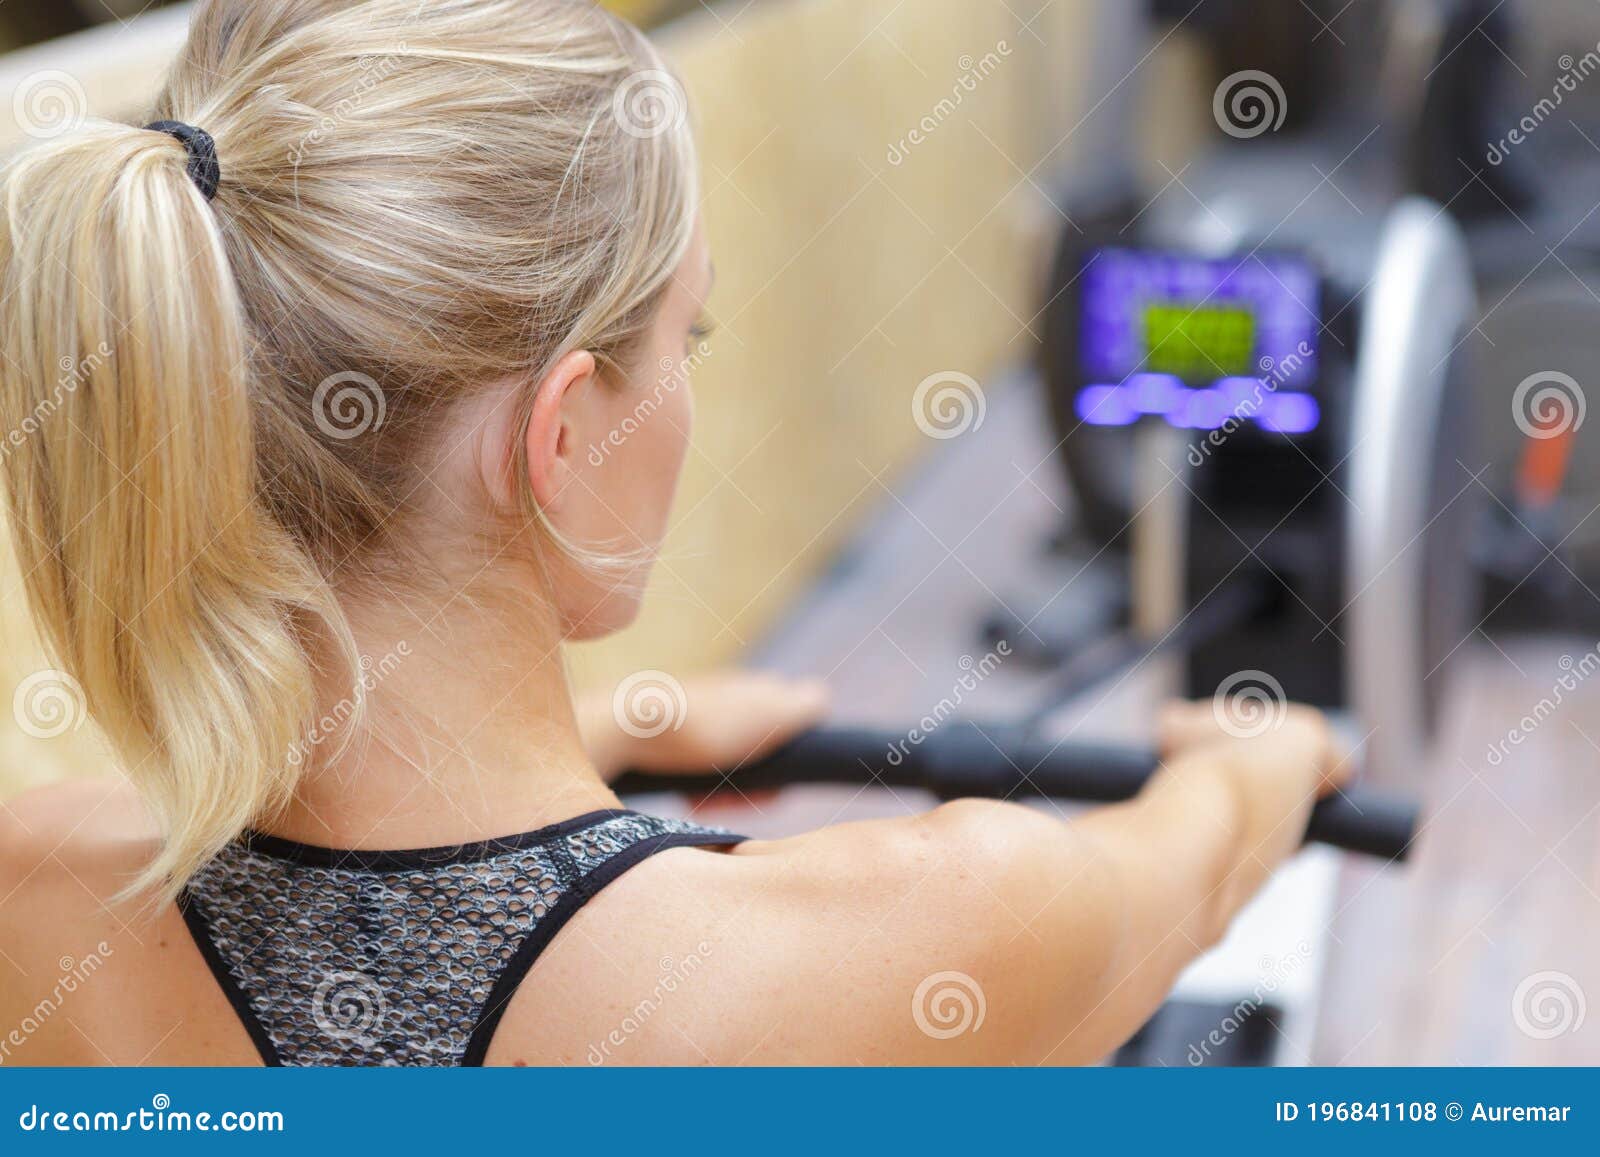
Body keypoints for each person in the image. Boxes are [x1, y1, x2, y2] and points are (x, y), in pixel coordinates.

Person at [0, 0, 1347, 1066]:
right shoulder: (904, 940)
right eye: (682, 337)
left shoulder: (37, 886)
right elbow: (1197, 858)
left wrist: (620, 731)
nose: (690, 390)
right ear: (566, 430)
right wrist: (1260, 755)